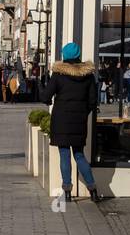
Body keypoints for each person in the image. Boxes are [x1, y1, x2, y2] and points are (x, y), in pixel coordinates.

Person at [42, 42, 103, 203]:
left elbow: (45, 96)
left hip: (61, 119)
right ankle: (93, 190)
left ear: (64, 55)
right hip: (79, 120)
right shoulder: (88, 75)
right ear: (78, 55)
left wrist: (49, 99)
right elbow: (92, 101)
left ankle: (67, 192)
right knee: (79, 155)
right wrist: (83, 113)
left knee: (64, 154)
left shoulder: (58, 74)